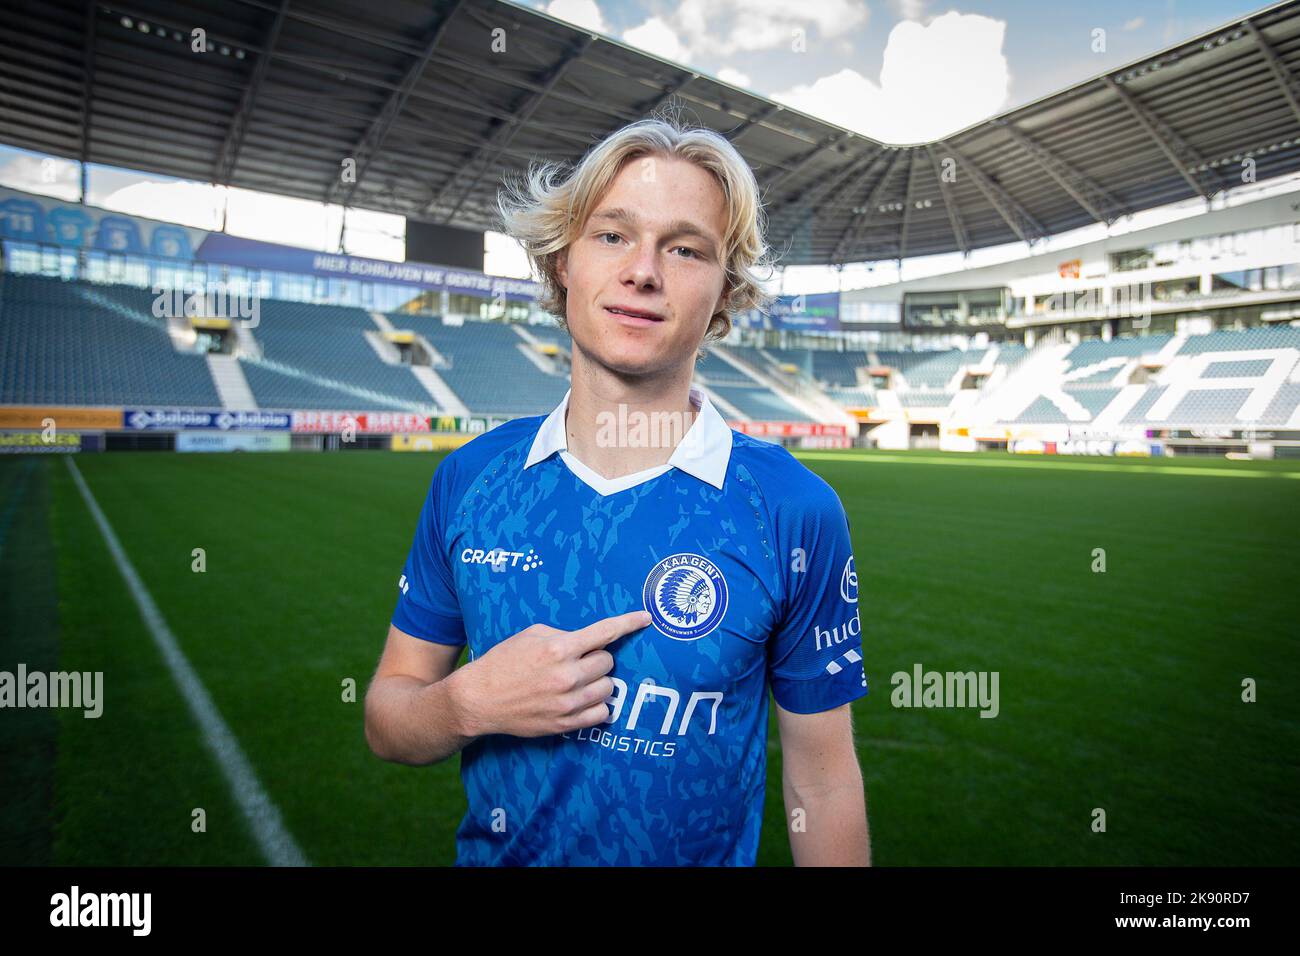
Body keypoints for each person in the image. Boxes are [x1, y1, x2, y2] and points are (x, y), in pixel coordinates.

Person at [364, 111, 870, 866]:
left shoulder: (794, 511)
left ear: (725, 291)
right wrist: (464, 703)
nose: (643, 270)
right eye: (612, 235)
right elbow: (387, 718)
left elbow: (823, 783)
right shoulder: (471, 479)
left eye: (686, 248)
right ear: (562, 261)